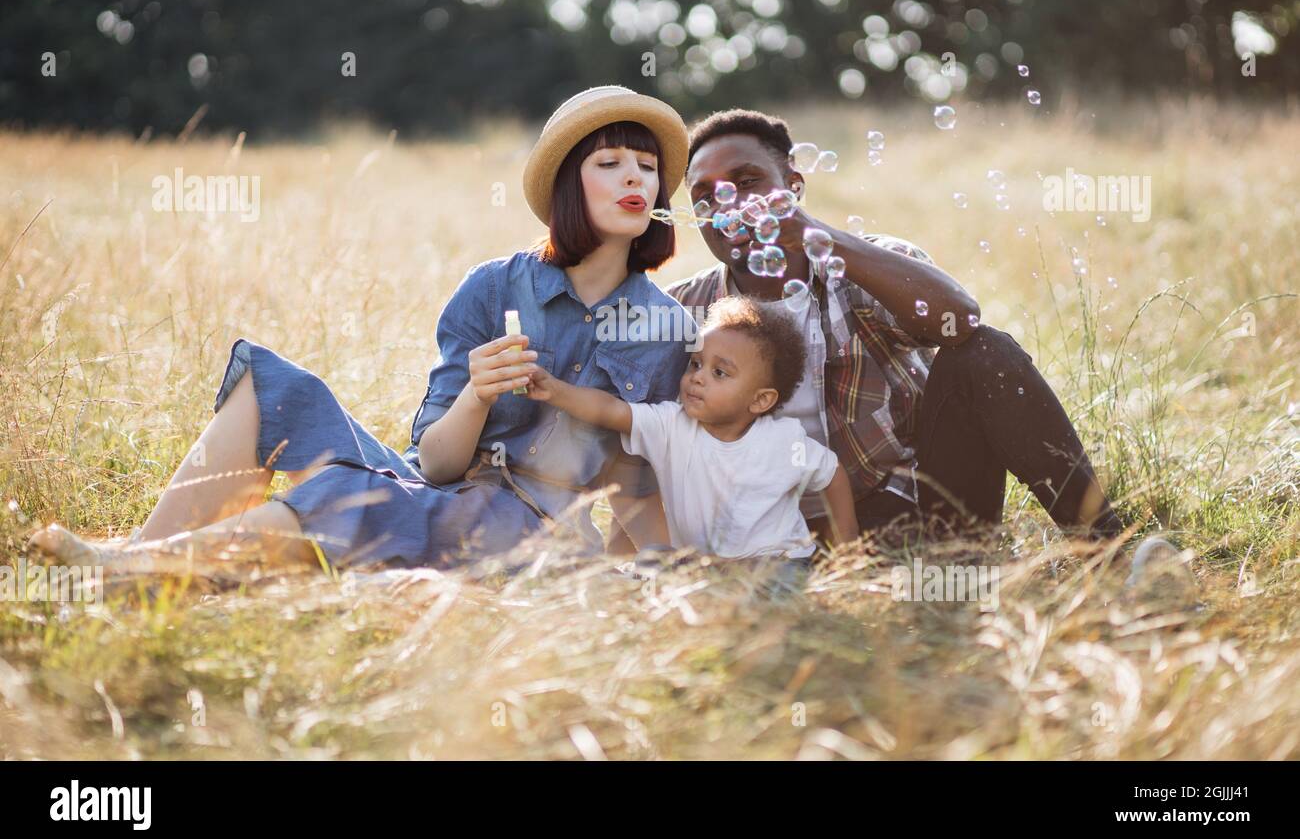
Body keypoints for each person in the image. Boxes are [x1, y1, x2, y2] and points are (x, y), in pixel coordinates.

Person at [29, 85, 696, 575]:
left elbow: (641, 492)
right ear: (566, 188)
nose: (633, 176)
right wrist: (478, 394)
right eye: (608, 163)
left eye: (645, 166)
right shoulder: (494, 286)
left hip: (529, 531)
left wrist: (635, 589)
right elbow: (434, 464)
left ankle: (136, 572)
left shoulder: (665, 325)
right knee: (274, 384)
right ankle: (138, 561)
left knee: (352, 492)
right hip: (438, 487)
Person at [656, 108, 1123, 548]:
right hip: (765, 537)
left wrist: (819, 238)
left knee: (985, 352)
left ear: (793, 186)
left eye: (748, 181)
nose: (730, 203)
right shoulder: (684, 310)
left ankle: (1106, 550)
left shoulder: (864, 265)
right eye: (706, 196)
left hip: (912, 512)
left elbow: (959, 321)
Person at [524, 294, 858, 563]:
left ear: (760, 401)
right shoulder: (670, 424)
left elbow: (831, 474)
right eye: (696, 364)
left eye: (719, 373)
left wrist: (847, 550)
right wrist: (556, 390)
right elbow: (611, 410)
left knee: (765, 615)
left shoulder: (784, 441)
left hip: (778, 562)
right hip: (702, 566)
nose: (697, 376)